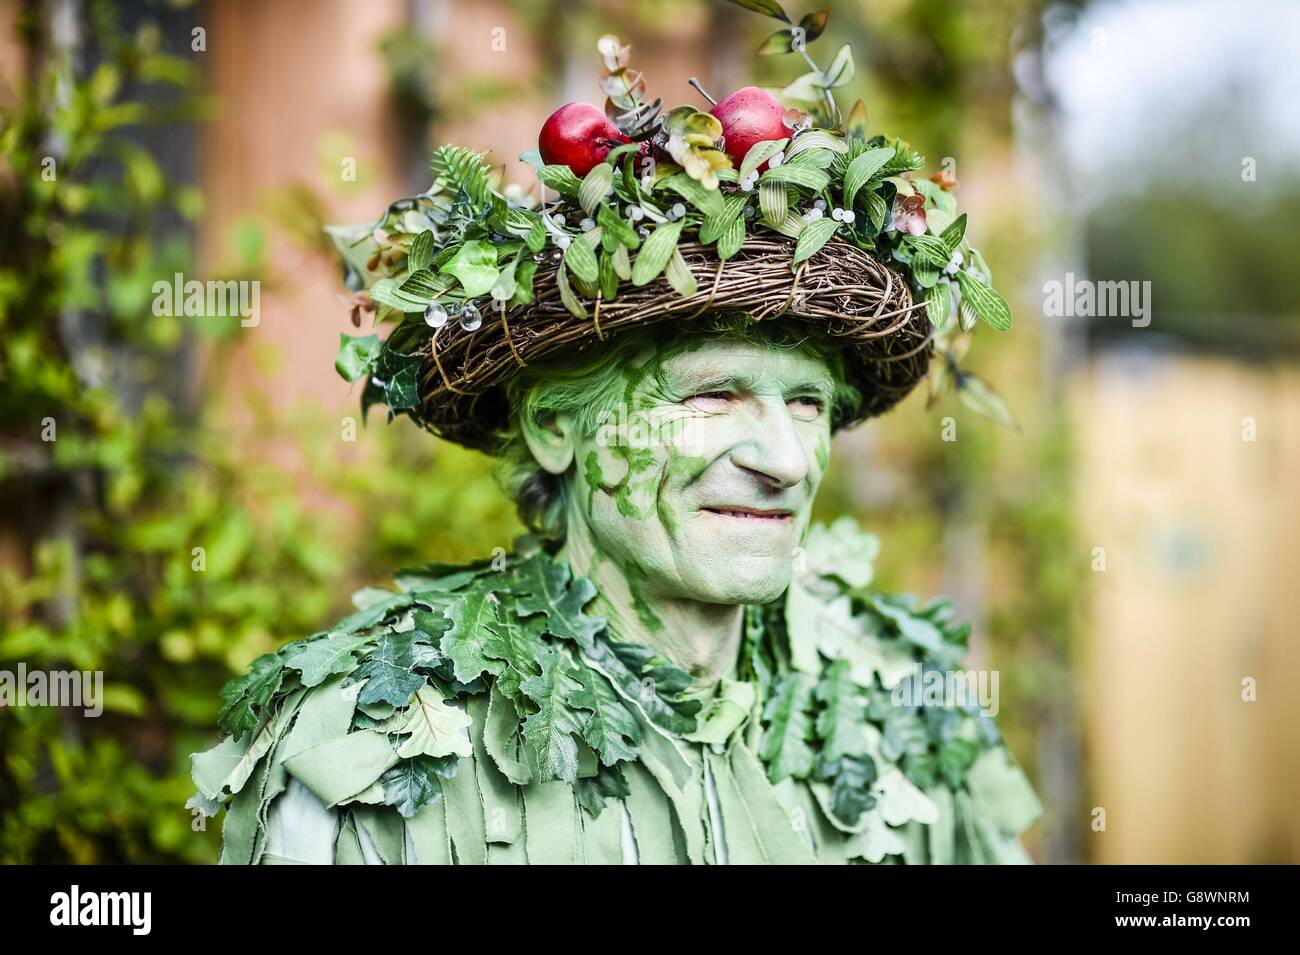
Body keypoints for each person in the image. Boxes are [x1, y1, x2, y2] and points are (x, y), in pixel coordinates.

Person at [190, 26, 1040, 865]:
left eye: (809, 403)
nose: (784, 461)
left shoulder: (908, 709)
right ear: (556, 426)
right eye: (715, 393)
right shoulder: (366, 759)